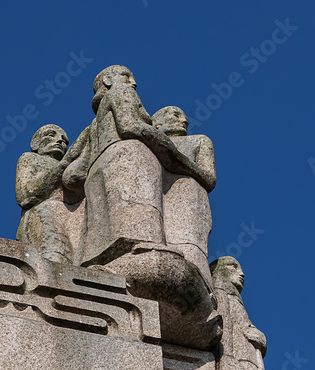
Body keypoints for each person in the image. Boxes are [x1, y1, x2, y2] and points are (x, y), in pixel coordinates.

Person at [71, 66, 215, 269]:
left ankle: (104, 259)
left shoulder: (94, 125)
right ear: (109, 81)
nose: (133, 82)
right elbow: (129, 125)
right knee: (139, 215)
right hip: (130, 158)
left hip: (101, 169)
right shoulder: (122, 91)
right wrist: (171, 152)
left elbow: (73, 174)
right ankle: (143, 247)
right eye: (126, 76)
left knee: (107, 223)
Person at [152, 105, 216, 290]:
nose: (184, 120)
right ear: (156, 123)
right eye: (176, 114)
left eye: (184, 116)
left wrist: (176, 159)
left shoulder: (199, 141)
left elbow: (209, 179)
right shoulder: (150, 145)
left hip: (189, 197)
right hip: (158, 194)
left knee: (189, 249)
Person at [15, 123, 88, 263]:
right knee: (55, 259)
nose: (60, 141)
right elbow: (25, 195)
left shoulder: (72, 166)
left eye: (64, 140)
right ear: (35, 143)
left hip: (74, 215)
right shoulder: (30, 158)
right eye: (51, 135)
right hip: (45, 213)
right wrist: (63, 165)